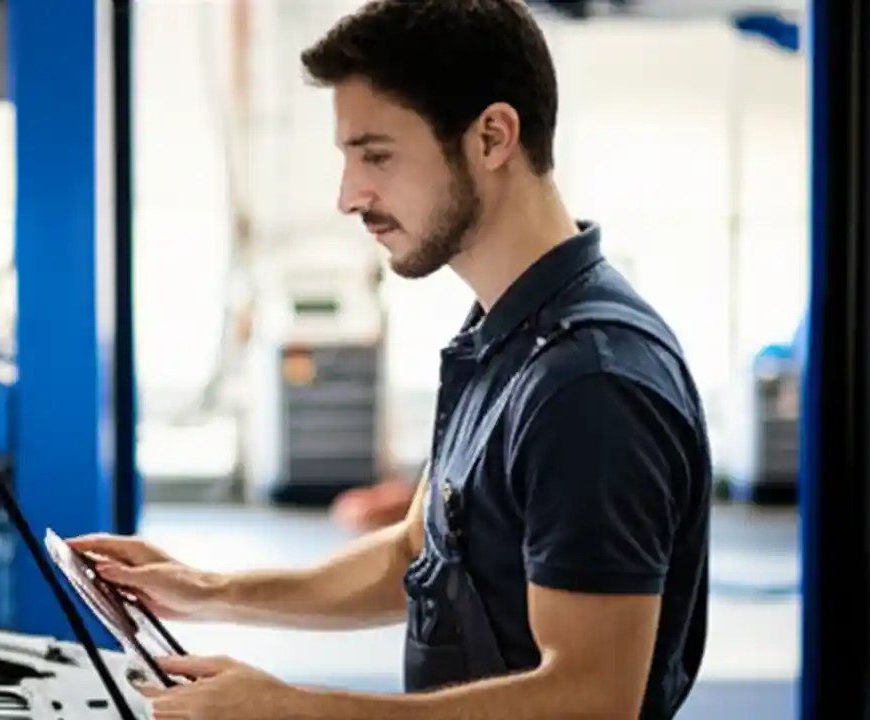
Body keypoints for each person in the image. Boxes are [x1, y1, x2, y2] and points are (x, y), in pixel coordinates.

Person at [70, 1, 713, 718]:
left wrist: (295, 710)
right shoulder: (506, 337)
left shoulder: (589, 385)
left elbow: (590, 701)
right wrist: (210, 591)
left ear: (492, 136)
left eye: (377, 155)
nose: (350, 197)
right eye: (347, 159)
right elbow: (417, 552)